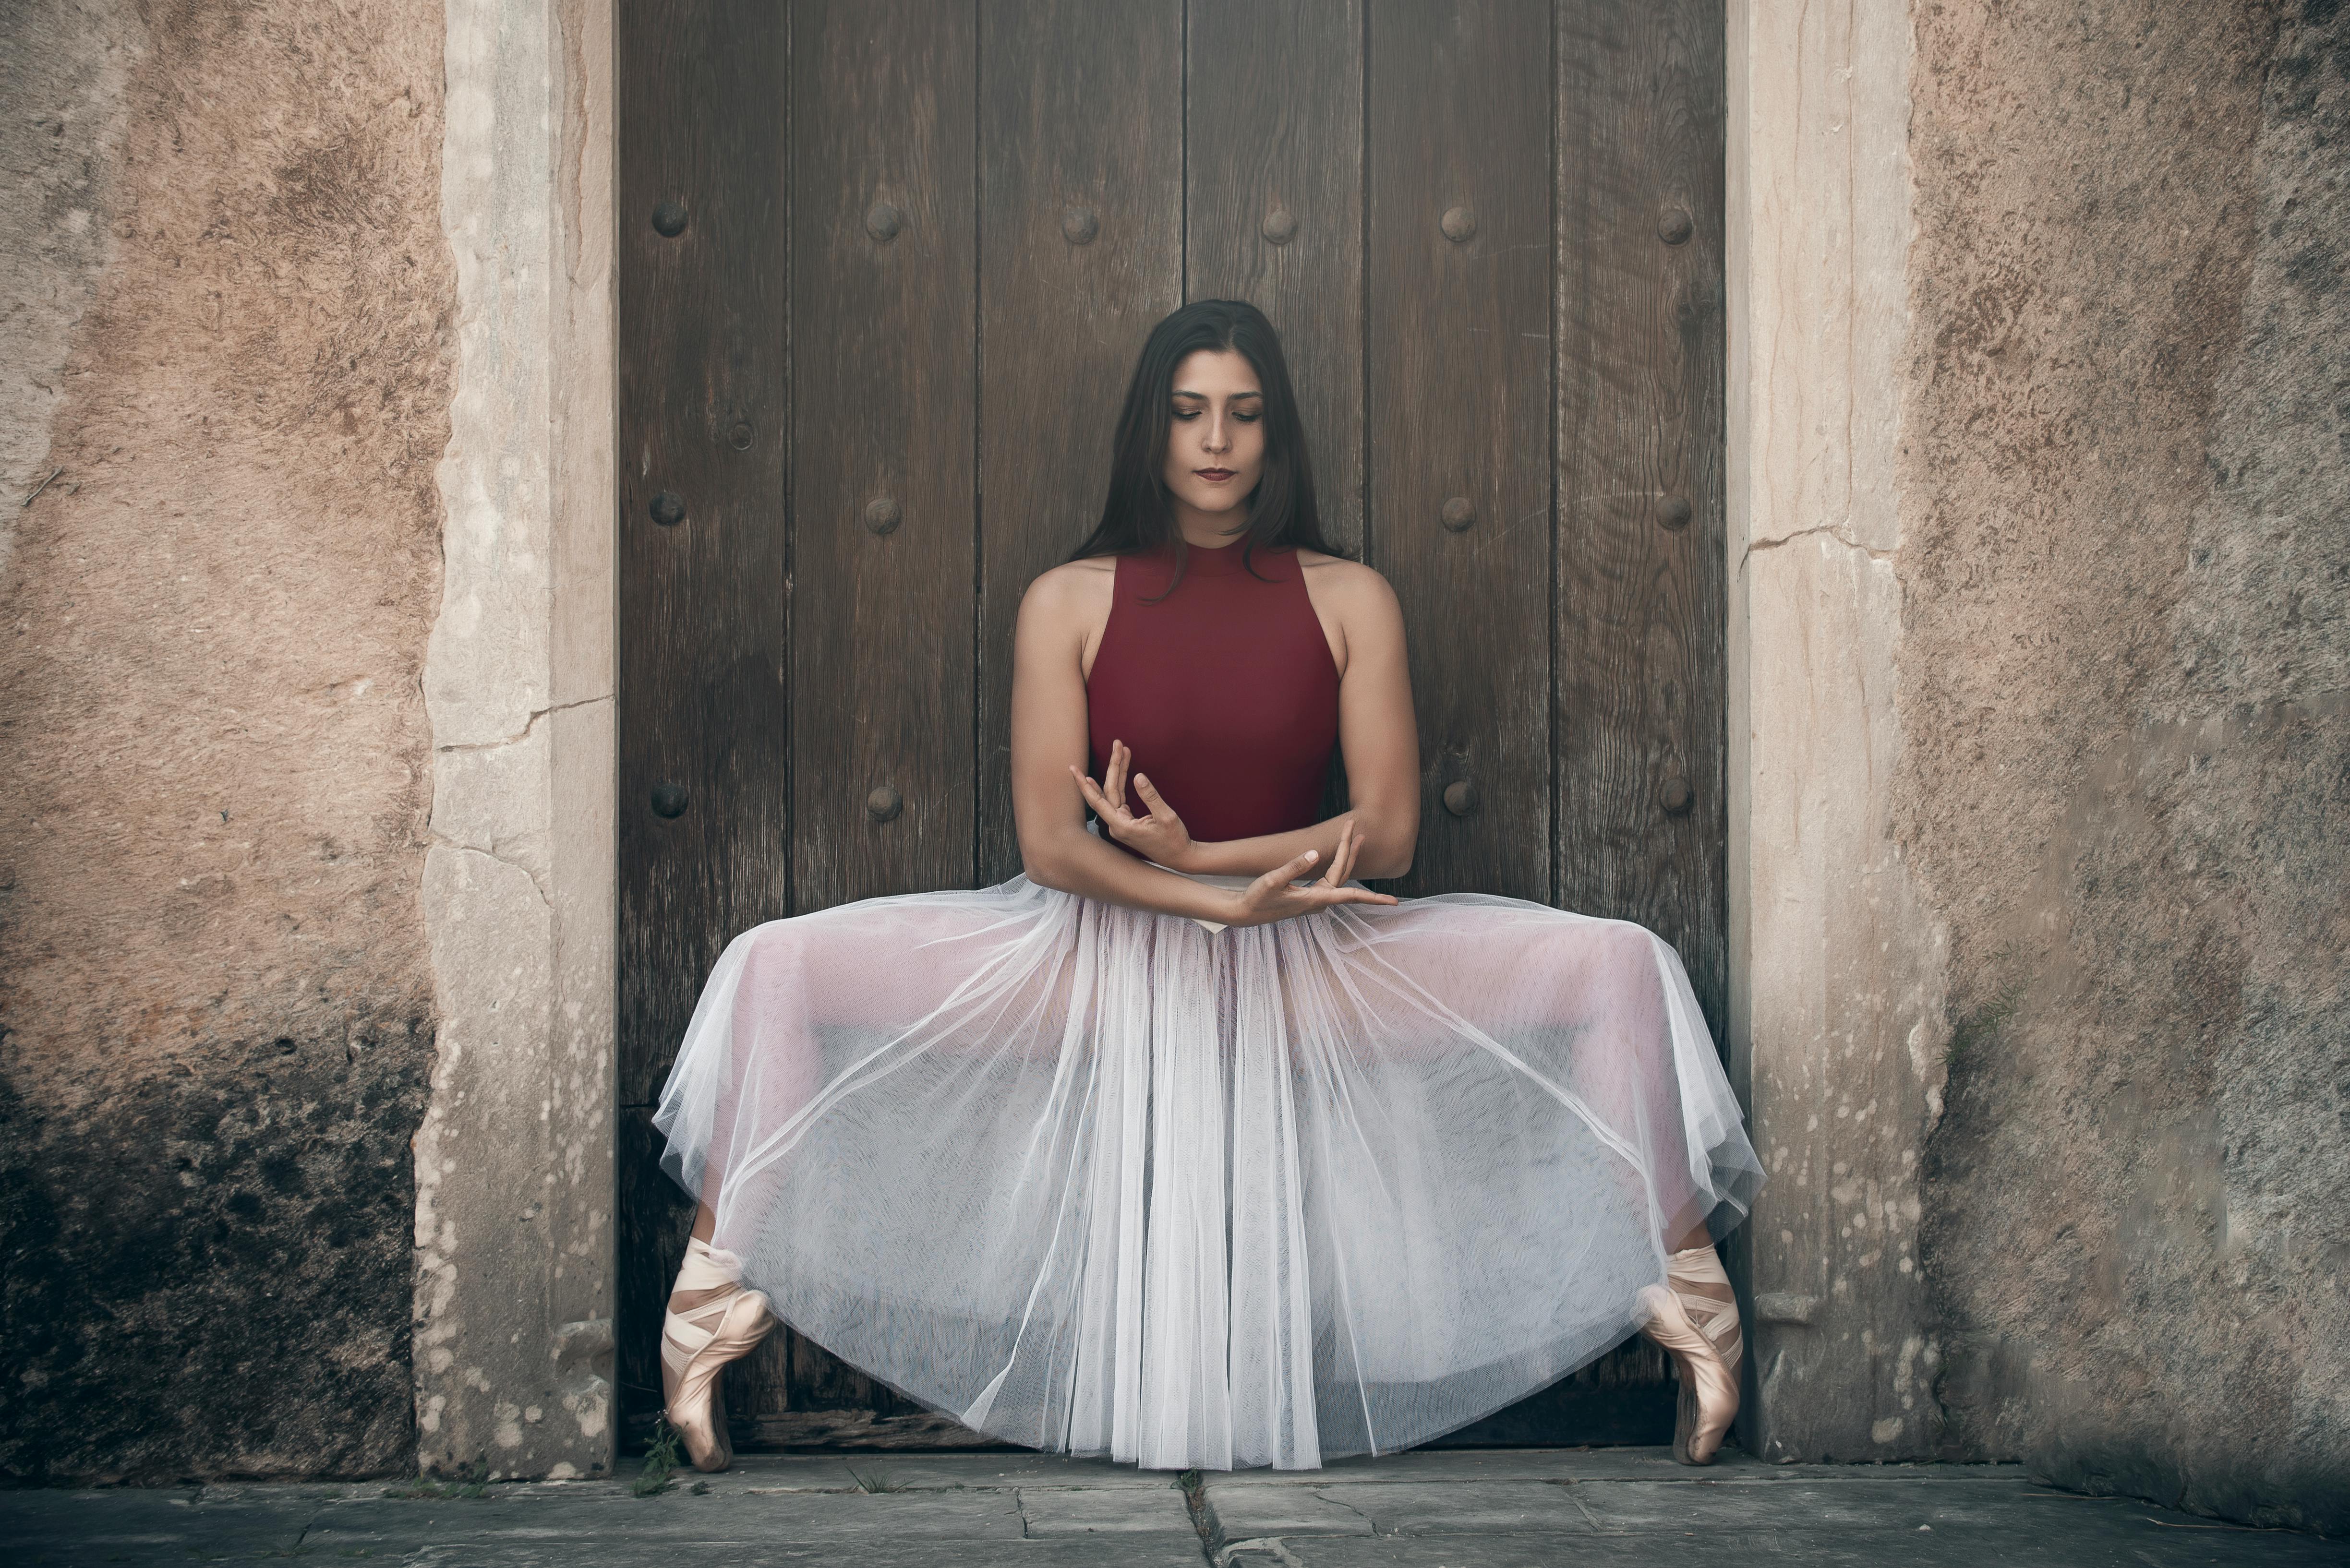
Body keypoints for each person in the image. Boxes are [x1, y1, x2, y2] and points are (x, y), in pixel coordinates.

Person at [652, 299, 1761, 1476]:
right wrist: (1190, 898)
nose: (1216, 439)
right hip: (1093, 955)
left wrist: (1208, 865)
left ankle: (1685, 1292)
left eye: (1243, 413)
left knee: (1619, 961)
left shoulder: (1349, 597)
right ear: (1153, 430)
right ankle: (715, 1302)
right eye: (1189, 413)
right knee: (775, 962)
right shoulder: (1067, 600)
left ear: (1276, 434)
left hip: (1310, 956)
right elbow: (1050, 842)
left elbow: (1382, 832)